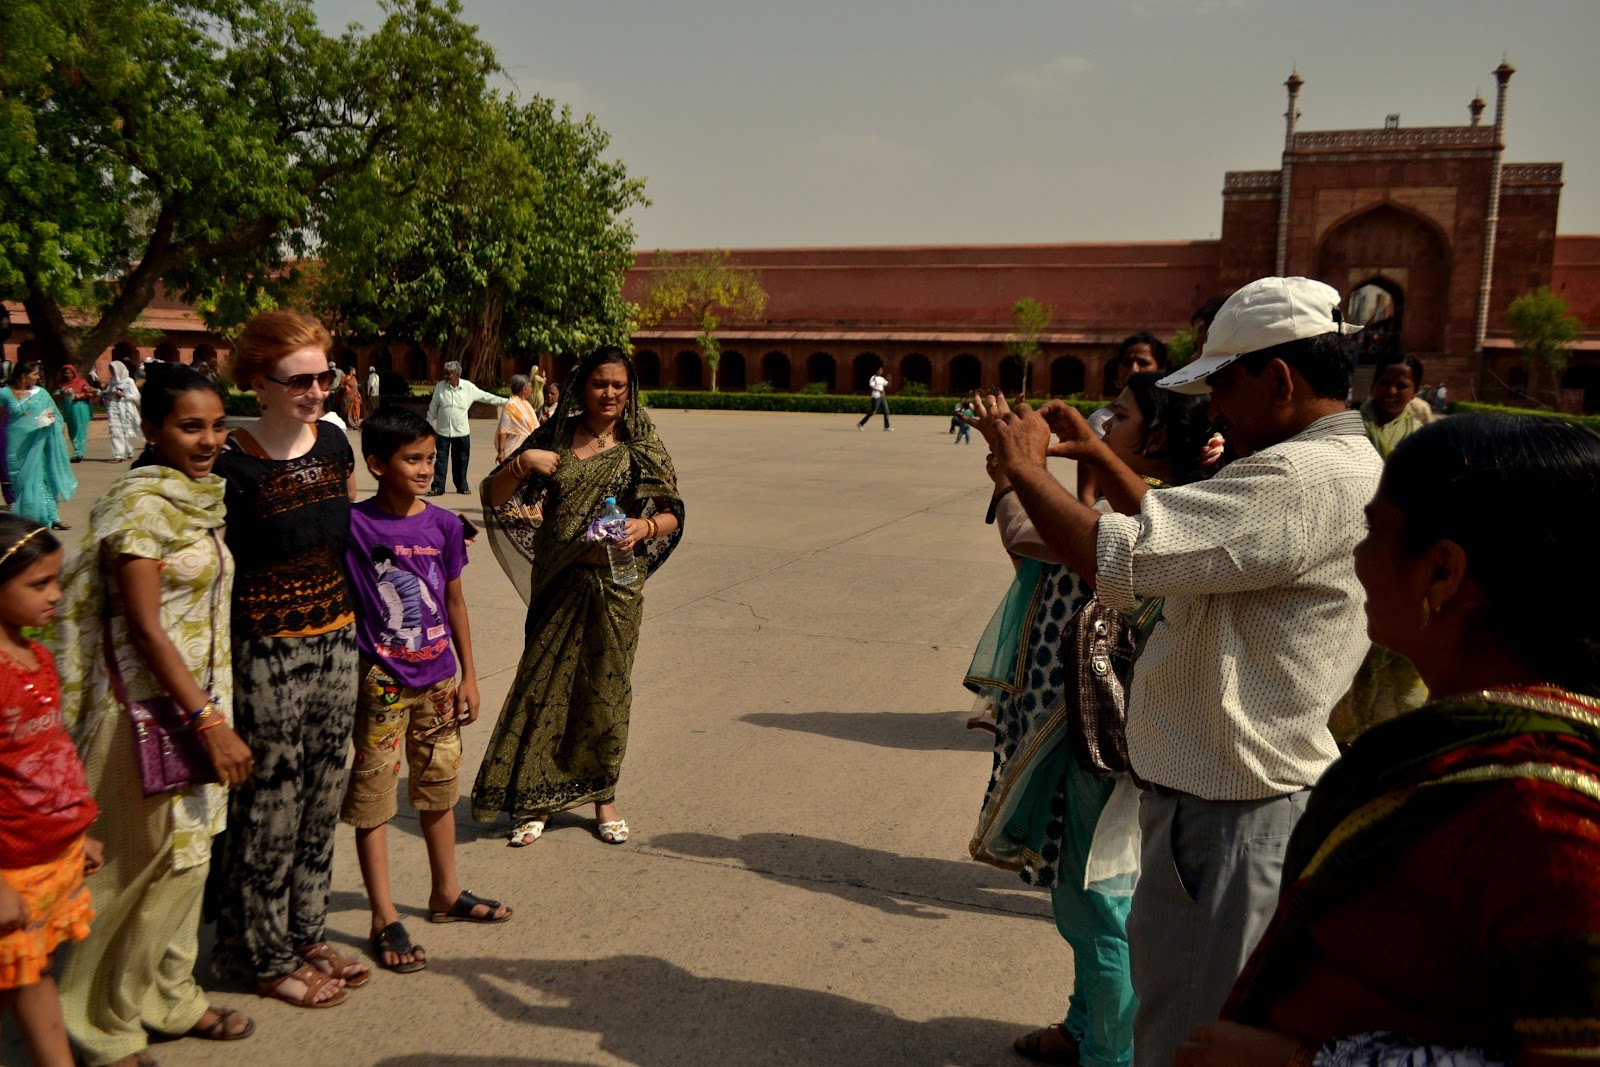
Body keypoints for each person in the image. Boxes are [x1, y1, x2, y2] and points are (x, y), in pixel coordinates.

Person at [969, 277, 1383, 1067]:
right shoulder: (1322, 466)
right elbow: (1177, 534)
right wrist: (1094, 456)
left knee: (1184, 1039)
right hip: (1230, 802)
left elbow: (1116, 554)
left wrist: (1021, 466)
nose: (1214, 407)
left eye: (1223, 383)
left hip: (1226, 813)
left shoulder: (1299, 479)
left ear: (1280, 379)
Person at [1181, 414, 1600, 1067]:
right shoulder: (1468, 757)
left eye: (1374, 531)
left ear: (1442, 572)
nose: (1357, 556)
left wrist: (1308, 1063)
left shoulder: (1543, 814)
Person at [967, 373, 1216, 1067]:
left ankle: (1110, 1053)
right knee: (1082, 890)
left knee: (1099, 902)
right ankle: (1086, 1026)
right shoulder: (1158, 500)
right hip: (1088, 724)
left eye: (1121, 417)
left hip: (1102, 734)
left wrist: (1013, 470)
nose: (1103, 425)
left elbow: (1029, 534)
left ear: (1156, 439)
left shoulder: (1153, 513)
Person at [54, 365, 257, 1065]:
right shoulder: (140, 507)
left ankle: (169, 996)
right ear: (150, 428)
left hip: (199, 705)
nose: (209, 441)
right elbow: (144, 628)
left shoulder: (197, 498)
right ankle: (96, 1023)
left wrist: (213, 712)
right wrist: (209, 723)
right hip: (146, 714)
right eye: (190, 426)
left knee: (186, 865)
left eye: (218, 425)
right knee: (131, 875)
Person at [209, 309, 366, 1007]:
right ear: (258, 383)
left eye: (323, 377)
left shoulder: (333, 445)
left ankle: (305, 932)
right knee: (269, 806)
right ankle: (257, 952)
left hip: (337, 640)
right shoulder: (230, 463)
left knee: (324, 794)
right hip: (266, 651)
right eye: (299, 380)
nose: (316, 391)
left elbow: (345, 539)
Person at [473, 345, 685, 847]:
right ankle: (537, 797)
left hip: (616, 588)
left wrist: (644, 526)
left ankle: (603, 796)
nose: (609, 393)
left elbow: (673, 512)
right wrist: (521, 463)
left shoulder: (641, 443)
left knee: (605, 692)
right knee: (543, 688)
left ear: (629, 389)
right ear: (580, 387)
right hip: (558, 582)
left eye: (618, 385)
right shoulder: (555, 436)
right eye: (599, 384)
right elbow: (494, 496)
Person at [340, 408, 511, 977]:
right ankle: (383, 915)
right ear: (376, 465)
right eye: (412, 459)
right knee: (374, 796)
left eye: (431, 458)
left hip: (439, 680)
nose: (425, 468)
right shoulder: (353, 526)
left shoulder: (442, 525)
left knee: (439, 786)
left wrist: (470, 675)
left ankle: (446, 891)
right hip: (382, 683)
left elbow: (455, 601)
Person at [0, 516, 102, 1067]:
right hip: (10, 867)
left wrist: (76, 829)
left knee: (30, 972)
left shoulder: (37, 658)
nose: (55, 594)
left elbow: (53, 754)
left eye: (55, 580)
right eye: (38, 584)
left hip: (49, 853)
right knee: (23, 975)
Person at [1081, 334, 1170, 504]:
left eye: (1143, 363)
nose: (1134, 369)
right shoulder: (1100, 421)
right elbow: (1088, 493)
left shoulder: (1174, 417)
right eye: (1127, 362)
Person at [1, 362, 77, 530]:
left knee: (44, 477)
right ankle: (28, 519)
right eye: (34, 374)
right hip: (16, 442)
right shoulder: (4, 393)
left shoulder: (41, 393)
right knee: (20, 480)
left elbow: (55, 414)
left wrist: (49, 420)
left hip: (39, 441)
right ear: (23, 376)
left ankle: (52, 517)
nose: (38, 377)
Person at [425, 361, 507, 497]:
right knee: (440, 460)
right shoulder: (440, 387)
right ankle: (438, 487)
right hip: (443, 431)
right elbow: (433, 407)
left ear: (457, 374)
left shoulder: (468, 388)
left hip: (461, 432)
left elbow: (487, 397)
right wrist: (428, 424)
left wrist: (508, 402)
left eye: (449, 374)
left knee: (461, 461)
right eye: (445, 373)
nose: (446, 376)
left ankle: (462, 486)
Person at [1359, 354, 1431, 460]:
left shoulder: (1418, 435)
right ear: (1374, 385)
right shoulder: (1351, 425)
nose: (1391, 391)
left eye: (1401, 386)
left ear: (1414, 392)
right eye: (1385, 383)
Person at [53, 367, 95, 464]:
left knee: (80, 430)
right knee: (72, 430)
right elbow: (55, 395)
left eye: (70, 373)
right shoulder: (61, 385)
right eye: (66, 373)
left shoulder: (81, 382)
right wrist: (63, 393)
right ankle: (77, 450)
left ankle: (79, 453)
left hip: (80, 408)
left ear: (74, 373)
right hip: (68, 409)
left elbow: (90, 392)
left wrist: (80, 396)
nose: (68, 375)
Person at [495, 375, 540, 464]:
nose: (532, 390)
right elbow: (503, 430)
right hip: (516, 447)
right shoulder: (510, 405)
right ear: (524, 389)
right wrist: (501, 451)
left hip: (530, 445)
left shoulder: (526, 403)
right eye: (531, 387)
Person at [102, 362, 141, 464]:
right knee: (115, 431)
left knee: (128, 432)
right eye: (111, 370)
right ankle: (118, 455)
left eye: (114, 370)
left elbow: (137, 397)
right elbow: (107, 393)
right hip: (114, 410)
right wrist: (105, 394)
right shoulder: (112, 382)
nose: (112, 372)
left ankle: (130, 452)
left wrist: (124, 396)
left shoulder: (129, 381)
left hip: (126, 410)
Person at [856, 366, 892, 431]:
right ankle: (861, 423)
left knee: (886, 411)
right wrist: (879, 390)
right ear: (876, 371)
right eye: (879, 370)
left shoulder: (882, 379)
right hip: (876, 397)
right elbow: (871, 388)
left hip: (882, 397)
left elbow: (888, 385)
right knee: (873, 412)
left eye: (881, 370)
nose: (880, 371)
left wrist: (889, 380)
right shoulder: (873, 378)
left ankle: (886, 427)